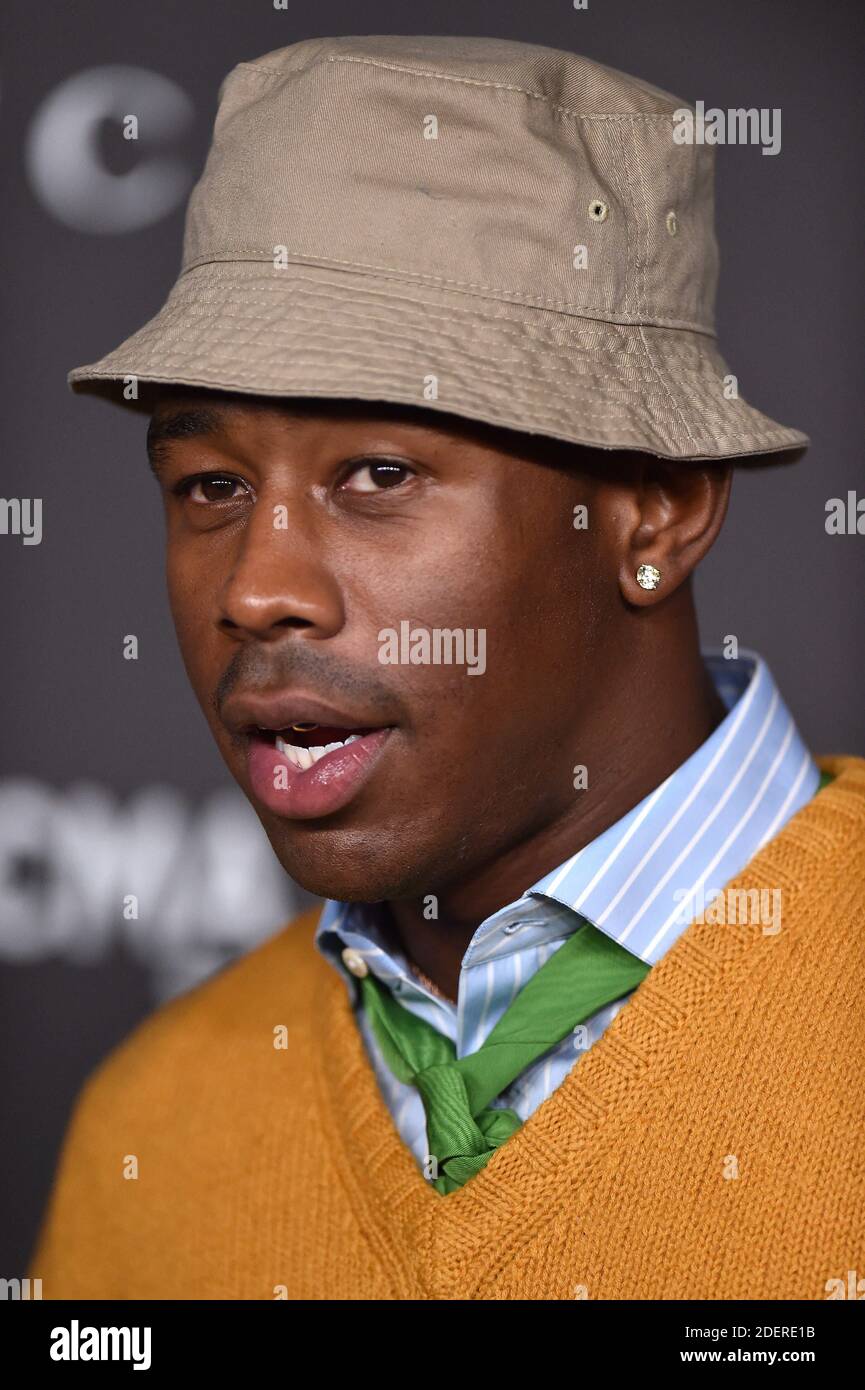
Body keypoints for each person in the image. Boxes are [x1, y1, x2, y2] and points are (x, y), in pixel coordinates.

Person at [29, 33, 865, 1300]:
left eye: (377, 473)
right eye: (210, 484)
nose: (258, 588)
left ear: (655, 511)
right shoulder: (155, 1128)